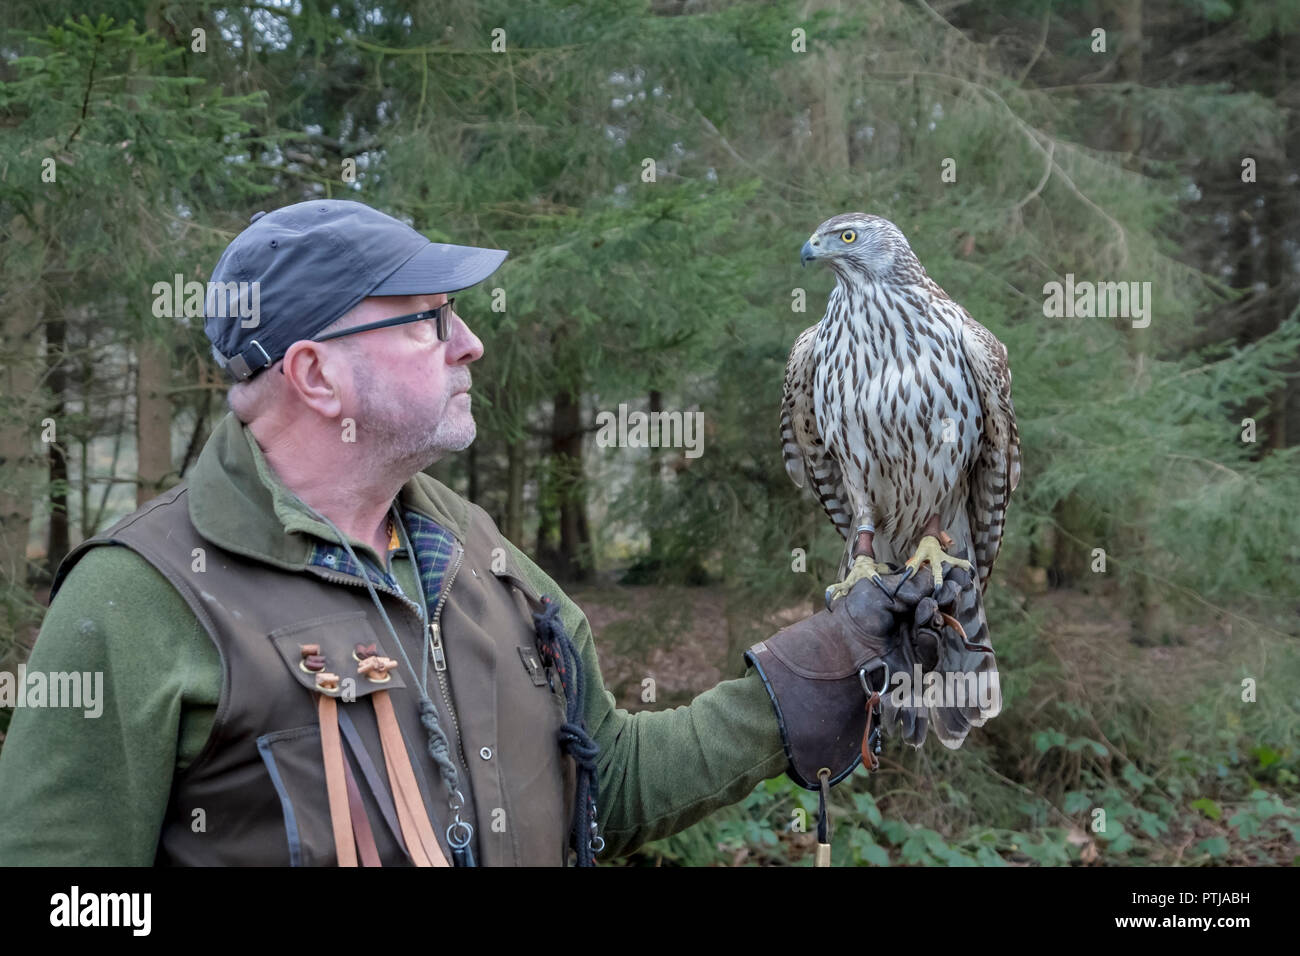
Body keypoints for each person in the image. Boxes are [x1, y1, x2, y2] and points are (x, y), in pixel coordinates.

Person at [0, 199, 984, 866]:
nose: (469, 341)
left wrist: (810, 673)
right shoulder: (140, 599)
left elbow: (611, 781)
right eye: (429, 319)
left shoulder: (478, 555)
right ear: (314, 375)